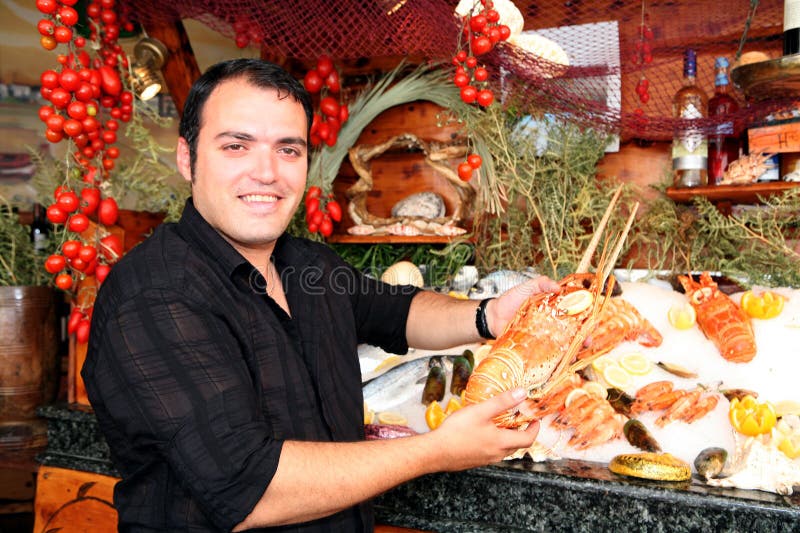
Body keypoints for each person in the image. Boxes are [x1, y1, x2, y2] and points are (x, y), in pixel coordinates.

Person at [82, 58, 560, 532]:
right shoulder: (153, 294)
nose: (267, 172)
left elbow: (398, 311)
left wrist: (490, 315)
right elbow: (251, 490)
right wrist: (438, 450)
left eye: (288, 150)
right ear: (187, 158)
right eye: (236, 146)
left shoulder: (308, 266)